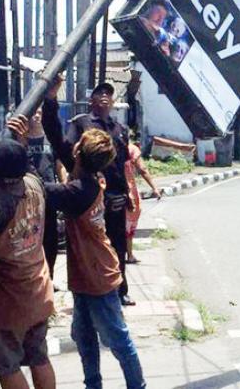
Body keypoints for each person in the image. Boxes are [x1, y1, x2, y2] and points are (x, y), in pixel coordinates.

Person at [9, 114, 146, 389]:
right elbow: (58, 148)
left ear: (78, 154)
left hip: (98, 277)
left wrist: (23, 145)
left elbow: (40, 187)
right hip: (88, 273)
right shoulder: (87, 179)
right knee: (84, 337)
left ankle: (137, 386)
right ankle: (93, 385)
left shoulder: (79, 190)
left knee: (117, 339)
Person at [42, 78, 135, 306]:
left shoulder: (119, 129)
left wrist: (128, 192)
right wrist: (50, 100)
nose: (104, 96)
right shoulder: (81, 123)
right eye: (99, 92)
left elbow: (122, 165)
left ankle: (119, 289)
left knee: (117, 245)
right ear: (91, 99)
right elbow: (60, 142)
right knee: (87, 247)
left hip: (114, 197)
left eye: (108, 93)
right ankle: (92, 294)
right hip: (88, 195)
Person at [0, 139, 55, 389]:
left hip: (7, 303)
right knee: (39, 358)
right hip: (38, 290)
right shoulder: (34, 184)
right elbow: (33, 166)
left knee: (8, 366)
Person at [26, 108, 67, 281]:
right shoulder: (20, 139)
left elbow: (60, 166)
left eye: (39, 112)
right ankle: (34, 280)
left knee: (51, 240)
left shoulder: (50, 140)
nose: (36, 116)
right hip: (28, 199)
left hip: (50, 196)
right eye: (33, 112)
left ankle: (49, 278)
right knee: (29, 240)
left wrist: (65, 187)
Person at [124, 142, 161, 264]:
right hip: (128, 192)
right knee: (129, 224)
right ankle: (129, 255)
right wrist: (154, 188)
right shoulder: (131, 149)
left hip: (106, 191)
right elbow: (142, 169)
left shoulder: (104, 148)